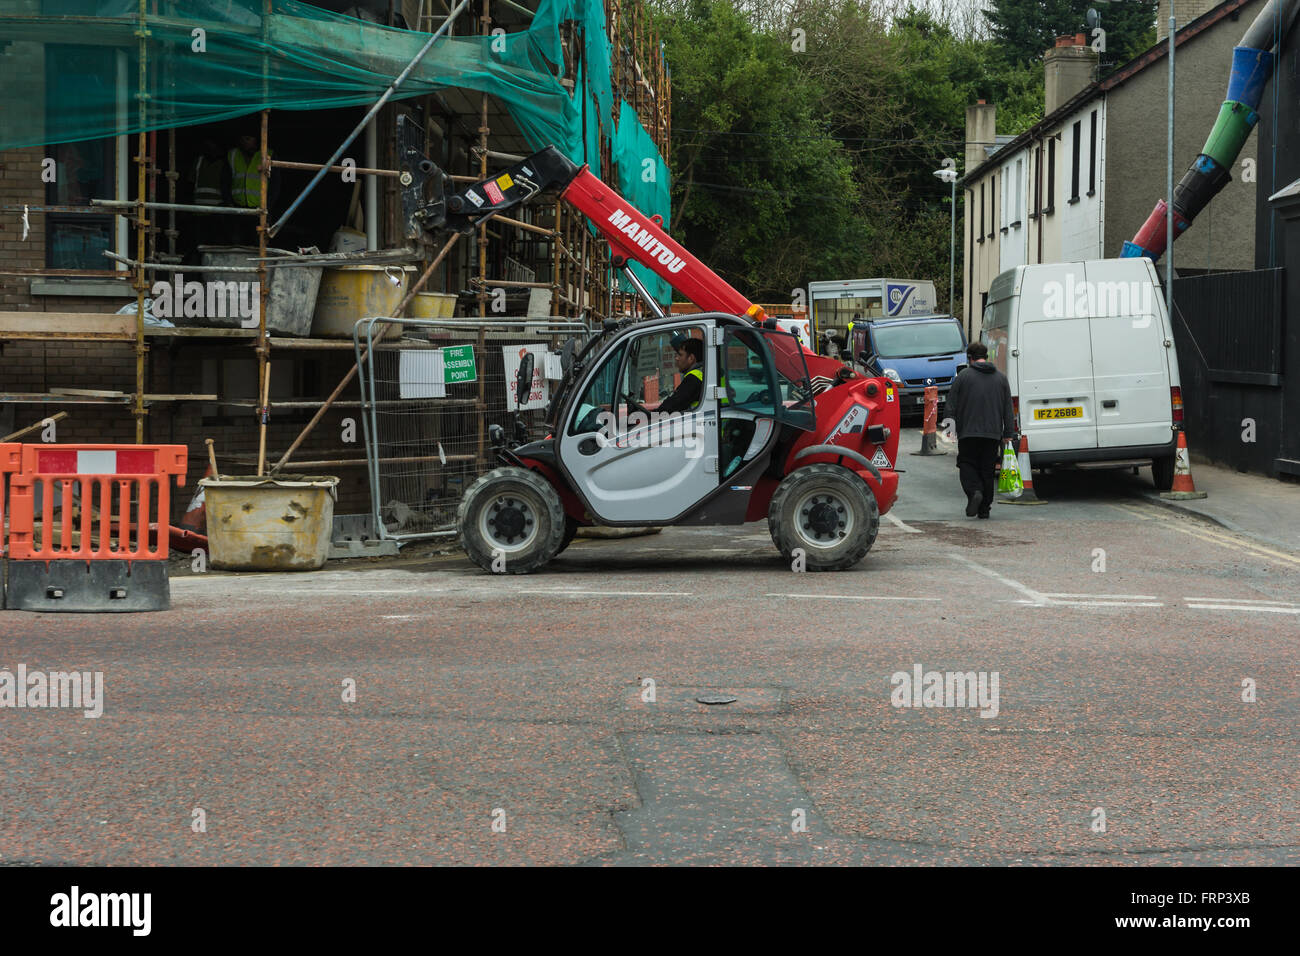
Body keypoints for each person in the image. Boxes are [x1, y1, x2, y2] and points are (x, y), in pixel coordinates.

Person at [946, 341, 1017, 519]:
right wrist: (1008, 433)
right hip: (992, 434)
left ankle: (974, 491)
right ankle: (984, 509)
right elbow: (1008, 408)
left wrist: (950, 430)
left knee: (967, 464)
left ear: (969, 358)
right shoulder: (1001, 378)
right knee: (987, 469)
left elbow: (950, 406)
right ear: (986, 357)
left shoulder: (963, 377)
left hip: (968, 432)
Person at [655, 336, 705, 414]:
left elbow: (672, 405)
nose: (676, 358)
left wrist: (651, 416)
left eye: (680, 355)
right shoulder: (703, 372)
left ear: (691, 358)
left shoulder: (694, 378)